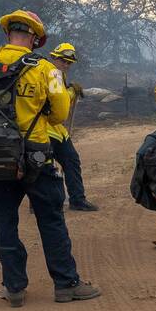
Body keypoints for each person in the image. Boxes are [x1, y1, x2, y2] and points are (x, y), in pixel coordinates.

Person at [0, 10, 101, 308]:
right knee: (51, 219)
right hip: (36, 154)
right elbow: (59, 114)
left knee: (5, 220)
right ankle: (66, 285)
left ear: (7, 34)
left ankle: (14, 288)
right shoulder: (47, 70)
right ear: (34, 38)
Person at [45, 42, 98, 212]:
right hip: (44, 130)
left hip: (58, 131)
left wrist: (68, 89)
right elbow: (58, 102)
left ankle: (77, 199)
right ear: (53, 58)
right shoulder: (51, 73)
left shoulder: (59, 76)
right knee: (43, 167)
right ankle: (40, 201)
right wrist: (71, 92)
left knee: (71, 160)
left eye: (69, 62)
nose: (66, 65)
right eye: (63, 60)